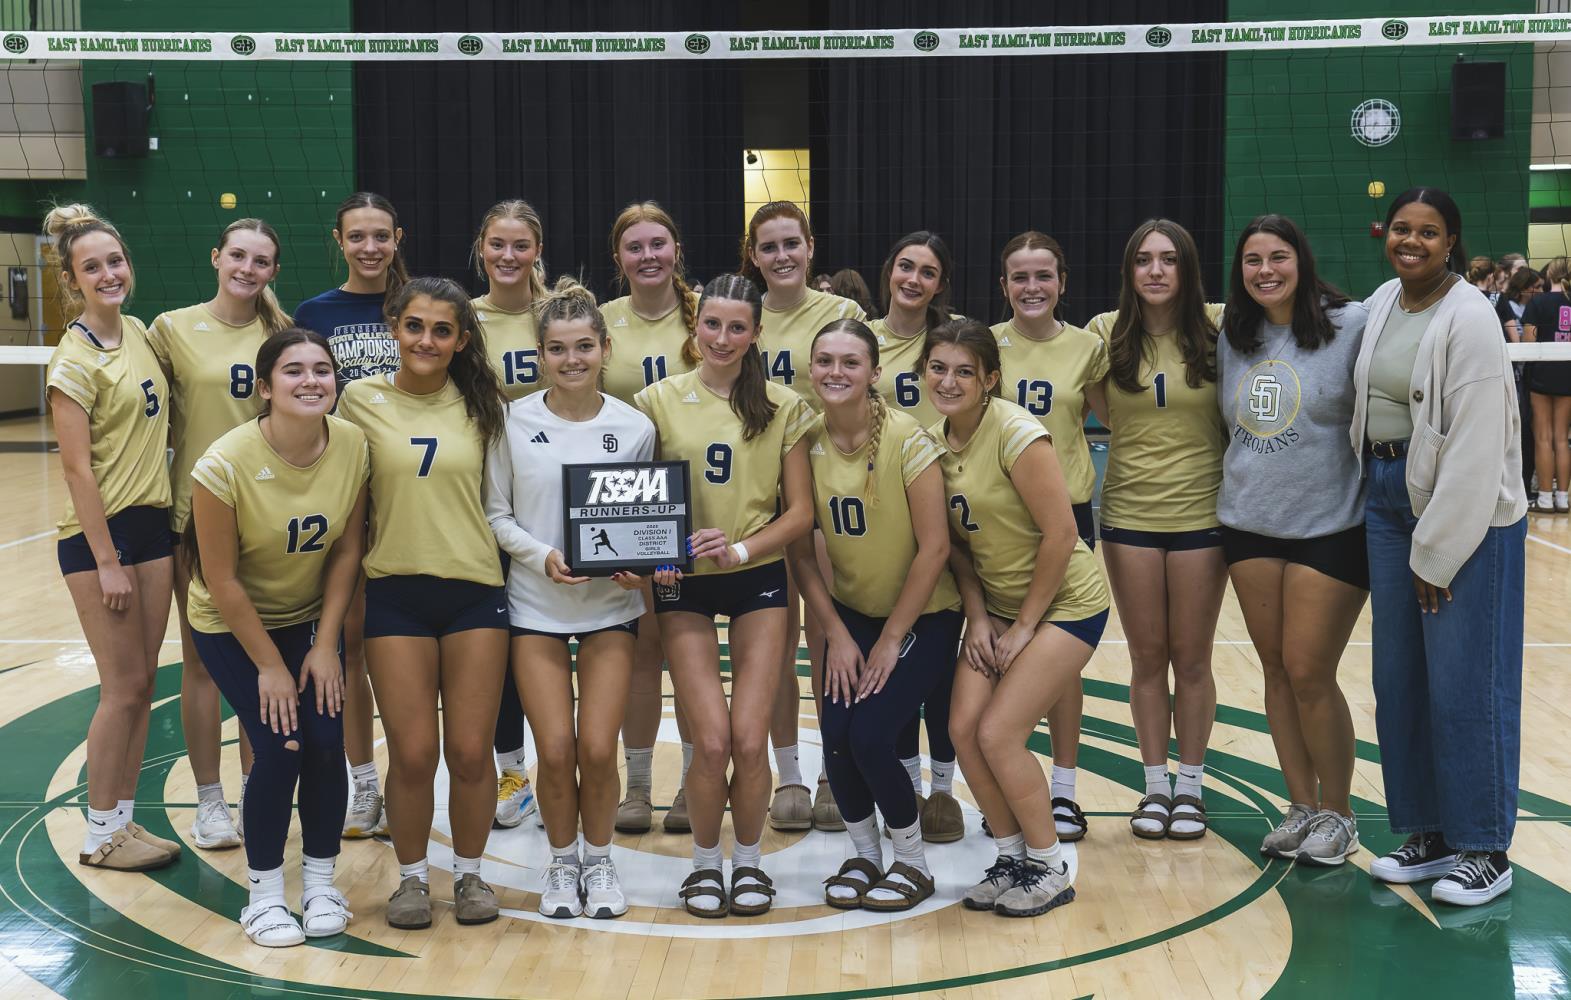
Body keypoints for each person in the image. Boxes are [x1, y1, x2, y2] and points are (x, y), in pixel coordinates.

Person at [1356, 187, 1527, 906]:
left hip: (1463, 518)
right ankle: (1427, 832)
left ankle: (1484, 846)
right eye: (1401, 229)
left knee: (1465, 684)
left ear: (1450, 242)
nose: (1412, 242)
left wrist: (1437, 548)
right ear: (1383, 234)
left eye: (1428, 232)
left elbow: (1477, 449)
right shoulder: (1380, 303)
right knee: (1398, 681)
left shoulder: (1471, 319)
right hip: (1385, 501)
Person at [633, 274, 815, 917]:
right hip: (681, 581)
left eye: (738, 327)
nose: (723, 338)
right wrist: (658, 552)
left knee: (746, 738)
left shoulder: (783, 405)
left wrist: (741, 548)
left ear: (757, 334)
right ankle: (705, 865)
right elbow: (639, 500)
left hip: (755, 576)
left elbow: (801, 513)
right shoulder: (656, 400)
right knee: (709, 743)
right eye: (712, 324)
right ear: (695, 326)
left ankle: (749, 865)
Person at [185, 328, 369, 946]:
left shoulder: (351, 445)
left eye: (322, 369)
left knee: (324, 743)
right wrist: (269, 665)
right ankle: (262, 896)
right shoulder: (223, 464)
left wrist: (325, 645)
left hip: (310, 616)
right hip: (233, 624)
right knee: (281, 742)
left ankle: (319, 885)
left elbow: (347, 549)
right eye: (293, 371)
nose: (311, 380)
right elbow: (221, 580)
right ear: (265, 387)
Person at [337, 276, 509, 929]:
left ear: (461, 339)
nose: (427, 340)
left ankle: (469, 877)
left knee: (469, 751)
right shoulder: (359, 400)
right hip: (395, 594)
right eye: (415, 326)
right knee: (411, 754)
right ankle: (411, 880)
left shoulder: (484, 404)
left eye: (442, 330)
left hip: (474, 591)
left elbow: (506, 503)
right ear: (394, 329)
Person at [924, 318, 1110, 918]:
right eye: (938, 368)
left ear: (990, 380)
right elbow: (958, 549)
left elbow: (1062, 533)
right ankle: (1011, 857)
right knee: (961, 730)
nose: (948, 381)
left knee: (998, 734)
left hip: (1066, 605)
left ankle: (1050, 863)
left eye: (964, 372)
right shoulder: (934, 441)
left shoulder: (1016, 433)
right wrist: (978, 620)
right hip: (998, 608)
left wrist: (1026, 626)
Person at [485, 278, 655, 920]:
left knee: (594, 747)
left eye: (584, 346)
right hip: (535, 605)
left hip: (611, 610)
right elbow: (498, 515)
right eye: (558, 349)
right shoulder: (511, 420)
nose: (573, 359)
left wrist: (639, 563)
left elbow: (646, 521)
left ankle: (601, 860)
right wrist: (543, 557)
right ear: (540, 354)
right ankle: (561, 863)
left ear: (605, 348)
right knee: (553, 749)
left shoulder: (634, 426)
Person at [791, 318, 960, 911]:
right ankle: (865, 855)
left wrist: (891, 639)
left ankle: (912, 864)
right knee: (835, 738)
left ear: (874, 373)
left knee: (869, 735)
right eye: (825, 361)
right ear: (810, 369)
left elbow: (936, 547)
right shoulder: (805, 441)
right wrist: (834, 631)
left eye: (850, 363)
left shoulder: (908, 440)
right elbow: (797, 545)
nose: (835, 373)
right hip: (852, 615)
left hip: (923, 619)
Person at [1216, 215, 1370, 865]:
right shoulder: (1233, 334)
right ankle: (1300, 806)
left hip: (1329, 526)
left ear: (1300, 261)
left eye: (1277, 257)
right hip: (1247, 523)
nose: (1264, 271)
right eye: (1252, 261)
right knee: (1275, 671)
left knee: (1309, 670)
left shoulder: (1350, 324)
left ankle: (1339, 813)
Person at [44, 204, 181, 872]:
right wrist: (107, 561)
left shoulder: (137, 332)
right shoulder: (72, 361)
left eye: (114, 261)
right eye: (91, 267)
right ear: (73, 281)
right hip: (103, 540)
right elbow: (76, 468)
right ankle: (99, 832)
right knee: (120, 688)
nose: (107, 273)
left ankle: (122, 824)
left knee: (144, 682)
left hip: (154, 525)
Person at [149, 218, 291, 851]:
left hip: (272, 522)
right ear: (216, 257)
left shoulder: (281, 336)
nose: (247, 268)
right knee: (204, 665)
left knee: (268, 662)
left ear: (273, 272)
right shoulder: (171, 330)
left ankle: (255, 789)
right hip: (195, 520)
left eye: (260, 261)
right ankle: (210, 801)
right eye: (237, 255)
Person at [1085, 220, 1226, 841]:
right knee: (1147, 658)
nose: (1156, 271)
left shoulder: (1222, 328)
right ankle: (1153, 788)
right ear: (1129, 271)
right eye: (1143, 260)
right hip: (1129, 517)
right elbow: (1102, 413)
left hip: (1204, 517)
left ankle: (1190, 789)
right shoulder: (1103, 334)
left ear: (1187, 268)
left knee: (1192, 659)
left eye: (1169, 259)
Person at [740, 200, 865, 833]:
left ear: (811, 247)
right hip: (763, 498)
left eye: (792, 243)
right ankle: (787, 772)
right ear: (754, 255)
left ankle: (831, 772)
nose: (782, 256)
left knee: (825, 636)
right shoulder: (740, 318)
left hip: (830, 493)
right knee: (777, 638)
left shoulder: (842, 315)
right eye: (769, 246)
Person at [294, 191, 409, 839]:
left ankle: (404, 782)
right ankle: (364, 787)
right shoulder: (316, 313)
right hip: (341, 504)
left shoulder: (418, 306)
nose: (369, 248)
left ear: (398, 237)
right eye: (356, 236)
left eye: (380, 236)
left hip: (411, 504)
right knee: (349, 649)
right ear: (338, 241)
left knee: (401, 652)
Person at [991, 231, 1108, 843]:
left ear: (1062, 282)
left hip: (1069, 513)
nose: (1031, 287)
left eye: (1043, 276)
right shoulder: (986, 344)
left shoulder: (1089, 347)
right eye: (1019, 277)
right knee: (997, 651)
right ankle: (1002, 785)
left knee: (1061, 660)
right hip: (999, 519)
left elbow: (1113, 418)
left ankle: (1063, 791)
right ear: (1004, 285)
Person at [600, 201, 699, 836]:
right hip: (623, 498)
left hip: (695, 503)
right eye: (634, 247)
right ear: (619, 259)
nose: (648, 256)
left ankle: (694, 782)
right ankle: (637, 787)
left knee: (688, 645)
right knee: (640, 649)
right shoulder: (602, 323)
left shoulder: (703, 318)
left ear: (675, 249)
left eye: (658, 243)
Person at [470, 199, 548, 829]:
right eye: (498, 244)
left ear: (537, 250)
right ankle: (513, 771)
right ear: (481, 248)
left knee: (564, 634)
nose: (508, 256)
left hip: (554, 500)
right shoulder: (463, 320)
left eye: (520, 245)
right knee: (505, 640)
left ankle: (571, 764)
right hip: (483, 500)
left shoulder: (559, 315)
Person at [1522, 259, 1571, 513]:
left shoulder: (1538, 302)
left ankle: (1543, 499)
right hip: (1568, 374)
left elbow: (1528, 343)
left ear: (1549, 274)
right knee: (1562, 438)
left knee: (1543, 437)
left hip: (1542, 374)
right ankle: (1562, 499)